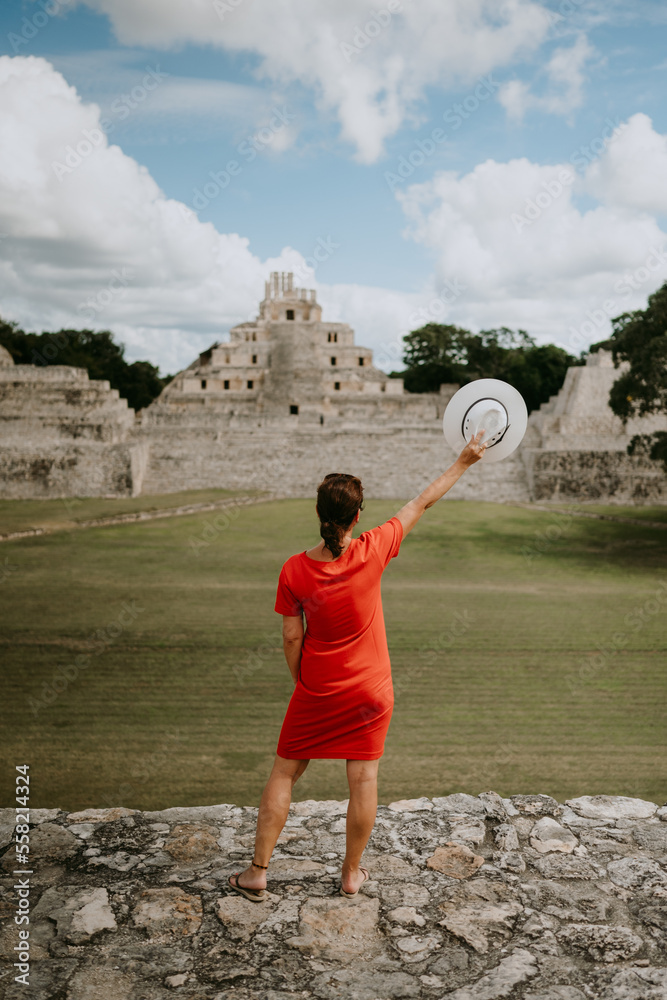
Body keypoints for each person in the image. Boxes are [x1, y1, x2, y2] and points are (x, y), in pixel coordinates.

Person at [228, 430, 487, 901]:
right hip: (371, 690)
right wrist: (464, 460)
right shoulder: (375, 547)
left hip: (317, 688)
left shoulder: (294, 569)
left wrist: (303, 683)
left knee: (284, 774)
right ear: (357, 516)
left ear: (318, 514)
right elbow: (423, 502)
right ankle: (350, 875)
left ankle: (258, 872)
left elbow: (291, 636)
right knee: (363, 779)